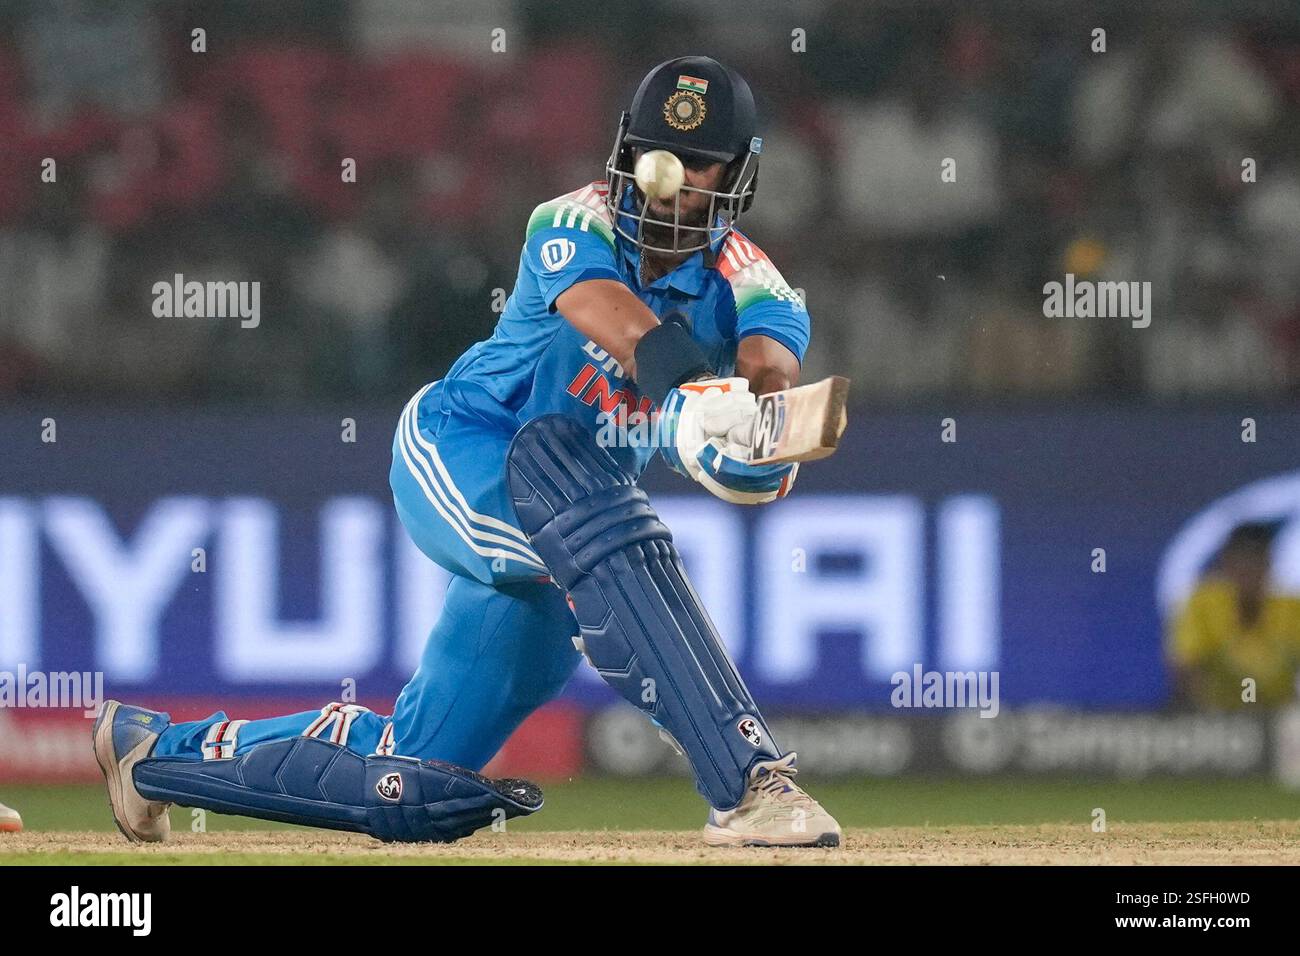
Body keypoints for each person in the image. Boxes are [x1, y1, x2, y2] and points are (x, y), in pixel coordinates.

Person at [95, 55, 840, 848]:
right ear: (624, 150)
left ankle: (153, 754)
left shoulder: (755, 285)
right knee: (605, 524)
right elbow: (617, 323)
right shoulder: (570, 222)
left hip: (569, 528)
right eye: (658, 153)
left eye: (698, 163)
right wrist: (696, 395)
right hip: (462, 453)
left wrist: (759, 435)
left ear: (739, 176)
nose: (670, 180)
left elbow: (771, 375)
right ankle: (749, 781)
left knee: (406, 777)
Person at [1168, 522, 1300, 709]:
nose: (1248, 571)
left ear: (1268, 564)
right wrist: (1209, 715)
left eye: (1256, 561)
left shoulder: (1291, 609)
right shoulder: (1204, 604)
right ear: (1226, 564)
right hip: (1218, 714)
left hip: (1278, 716)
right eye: (1241, 562)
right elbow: (1185, 666)